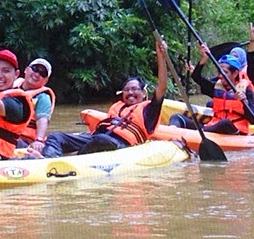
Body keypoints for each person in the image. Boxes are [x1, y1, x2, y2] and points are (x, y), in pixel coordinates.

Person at [37, 38, 168, 158]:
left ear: (144, 93)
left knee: (100, 141)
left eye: (134, 89)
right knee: (56, 137)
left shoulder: (149, 111)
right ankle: (48, 161)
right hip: (98, 137)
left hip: (120, 145)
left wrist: (161, 57)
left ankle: (74, 158)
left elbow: (161, 87)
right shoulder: (118, 108)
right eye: (127, 90)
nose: (130, 93)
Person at [0, 26, 55, 155]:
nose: (37, 74)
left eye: (42, 73)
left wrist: (39, 140)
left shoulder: (42, 97)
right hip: (4, 133)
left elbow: (42, 120)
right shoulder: (12, 85)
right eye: (35, 69)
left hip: (22, 141)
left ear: (45, 81)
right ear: (26, 70)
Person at [170, 44, 254, 135]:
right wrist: (204, 59)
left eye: (225, 72)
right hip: (213, 126)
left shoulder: (246, 90)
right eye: (219, 72)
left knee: (225, 122)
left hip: (234, 129)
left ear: (235, 73)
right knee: (176, 117)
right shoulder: (216, 86)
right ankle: (172, 134)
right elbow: (196, 77)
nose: (220, 75)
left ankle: (200, 132)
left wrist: (244, 102)